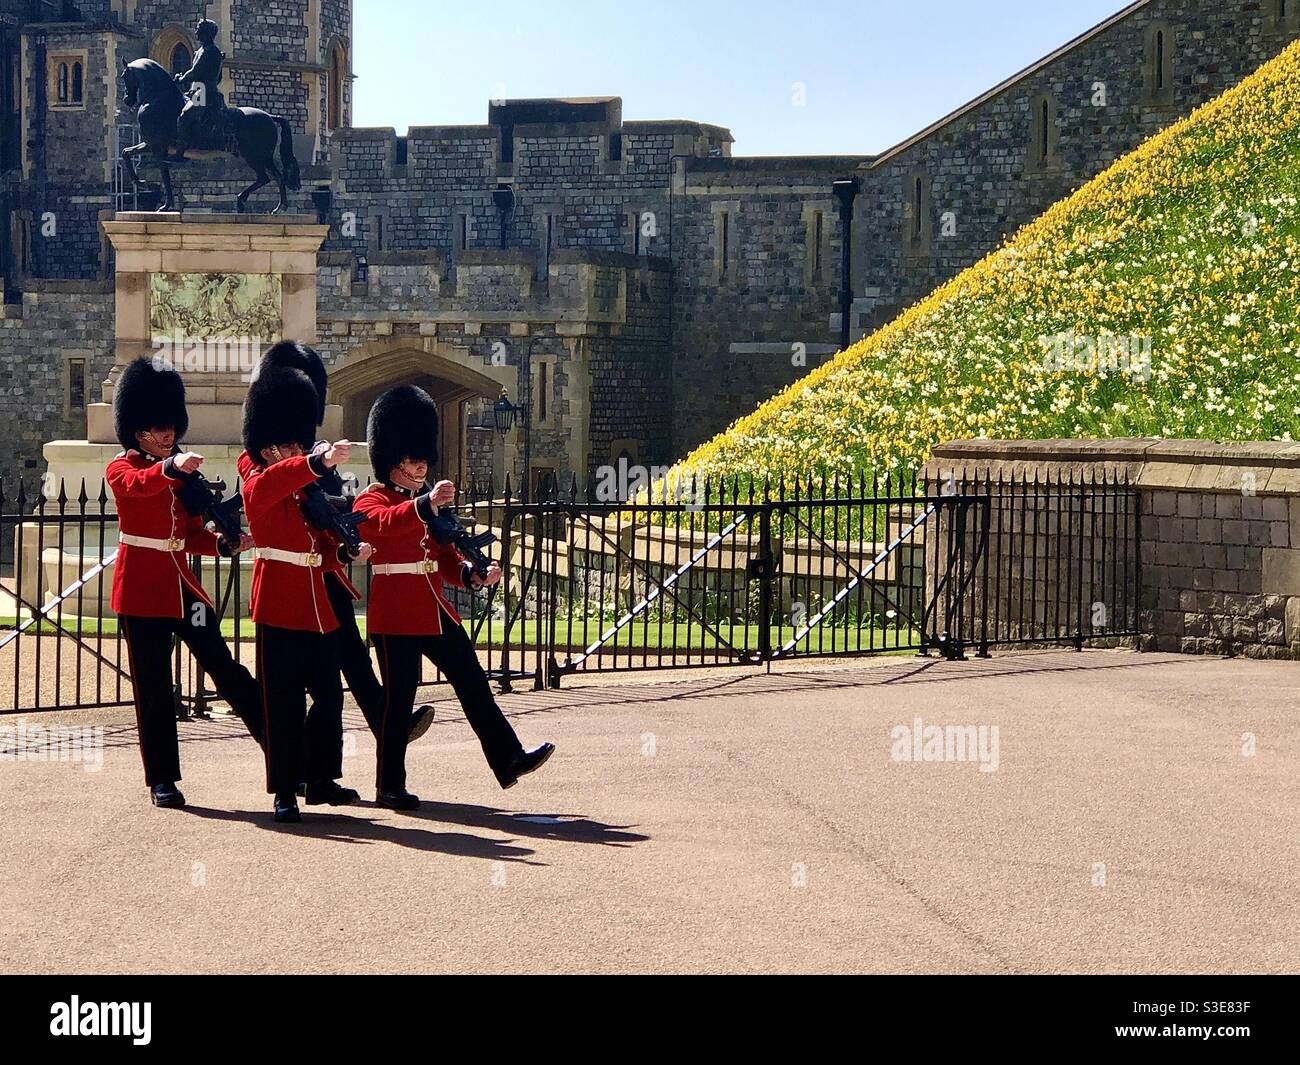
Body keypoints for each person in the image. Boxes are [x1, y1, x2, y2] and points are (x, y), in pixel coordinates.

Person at [354, 385, 554, 810]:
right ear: (392, 459)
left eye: (424, 458)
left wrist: (472, 576)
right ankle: (389, 785)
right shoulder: (371, 499)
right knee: (398, 702)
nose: (421, 465)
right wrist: (424, 506)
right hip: (395, 616)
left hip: (433, 610)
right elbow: (382, 526)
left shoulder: (427, 506)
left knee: (473, 684)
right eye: (412, 459)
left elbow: (443, 558)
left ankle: (509, 759)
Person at [239, 341, 434, 757]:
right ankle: (377, 724)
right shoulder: (260, 455)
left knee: (338, 667)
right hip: (292, 576)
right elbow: (269, 486)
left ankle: (341, 756)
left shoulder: (309, 450)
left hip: (325, 567)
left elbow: (323, 499)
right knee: (308, 674)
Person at [107, 356, 261, 809]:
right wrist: (171, 471)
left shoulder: (179, 473)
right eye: (157, 428)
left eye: (170, 425)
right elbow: (138, 487)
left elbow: (192, 534)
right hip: (140, 591)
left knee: (228, 671)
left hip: (183, 591)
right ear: (136, 431)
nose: (167, 434)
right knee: (152, 688)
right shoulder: (123, 468)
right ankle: (162, 778)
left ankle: (286, 752)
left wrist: (225, 545)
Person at [240, 363, 360, 824]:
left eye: (300, 443)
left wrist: (348, 552)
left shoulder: (303, 492)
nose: (297, 449)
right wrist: (316, 461)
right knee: (283, 702)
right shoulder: (261, 484)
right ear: (269, 448)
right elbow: (275, 482)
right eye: (290, 444)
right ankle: (284, 790)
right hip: (278, 601)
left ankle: (321, 778)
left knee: (329, 696)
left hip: (317, 603)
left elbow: (321, 546)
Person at [173, 18, 227, 159]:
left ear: (207, 33)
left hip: (205, 93)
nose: (196, 31)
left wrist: (181, 78)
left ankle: (180, 152)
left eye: (199, 28)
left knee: (184, 117)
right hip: (197, 91)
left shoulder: (211, 52)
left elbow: (195, 72)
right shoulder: (201, 51)